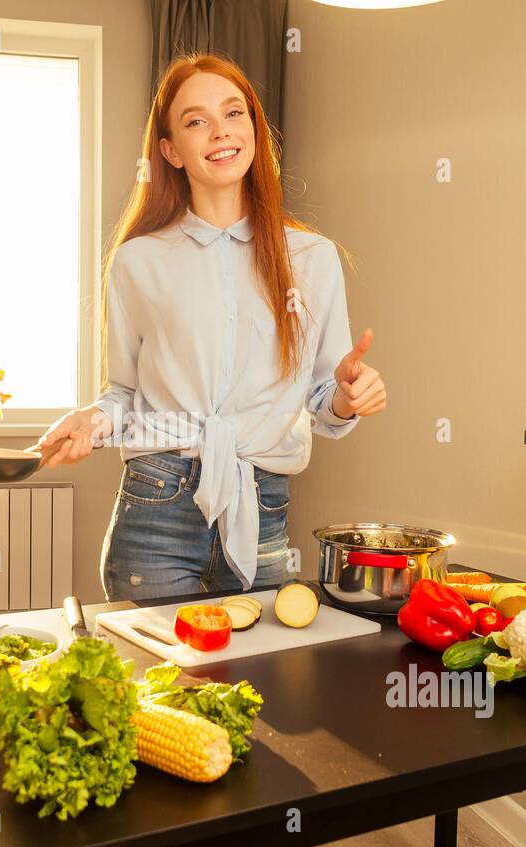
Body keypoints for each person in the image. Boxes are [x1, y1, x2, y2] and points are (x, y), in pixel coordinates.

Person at [38, 53, 386, 601]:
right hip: (157, 501)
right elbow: (125, 394)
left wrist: (348, 396)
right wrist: (92, 420)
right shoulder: (138, 261)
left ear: (254, 129)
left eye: (234, 113)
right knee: (158, 682)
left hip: (261, 502)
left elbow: (323, 400)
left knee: (257, 683)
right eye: (196, 120)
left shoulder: (313, 259)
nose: (220, 131)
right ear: (171, 150)